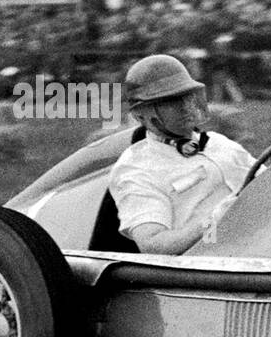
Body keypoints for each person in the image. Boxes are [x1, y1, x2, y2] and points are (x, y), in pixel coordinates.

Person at [110, 54, 258, 255]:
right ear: (141, 115)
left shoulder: (219, 143)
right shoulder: (136, 168)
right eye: (170, 101)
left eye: (187, 96)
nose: (185, 106)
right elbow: (153, 244)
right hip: (211, 267)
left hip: (265, 241)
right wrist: (214, 221)